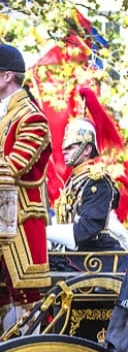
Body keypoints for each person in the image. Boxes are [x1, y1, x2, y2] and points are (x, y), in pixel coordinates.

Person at [0, 44, 52, 345]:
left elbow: (11, 166)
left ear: (8, 76)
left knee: (23, 296)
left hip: (19, 222)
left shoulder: (32, 118)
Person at [47, 87, 128, 252]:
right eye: (65, 147)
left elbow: (86, 229)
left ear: (86, 150)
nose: (64, 150)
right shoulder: (75, 180)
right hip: (75, 255)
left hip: (95, 257)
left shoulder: (97, 180)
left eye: (71, 147)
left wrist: (44, 233)